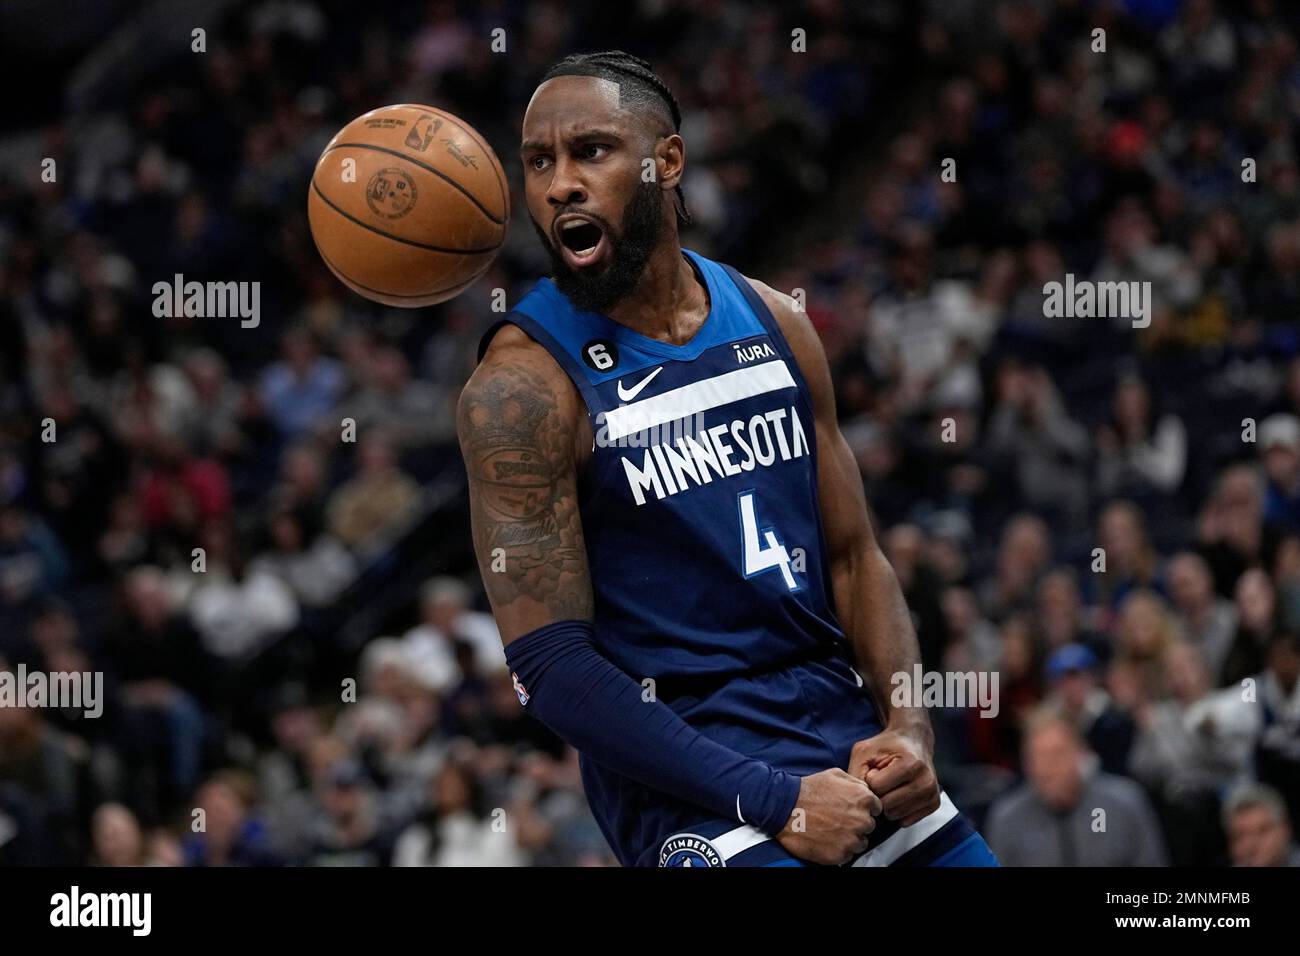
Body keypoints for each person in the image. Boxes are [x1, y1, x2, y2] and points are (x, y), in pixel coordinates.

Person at [457, 51, 996, 868]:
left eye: (590, 151)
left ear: (666, 160)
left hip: (845, 742)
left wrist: (909, 726)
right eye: (539, 162)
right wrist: (774, 798)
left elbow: (854, 558)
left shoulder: (776, 321)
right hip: (698, 790)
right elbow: (551, 667)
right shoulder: (521, 389)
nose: (560, 183)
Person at [985, 711, 1168, 866]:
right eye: (1038, 758)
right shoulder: (1007, 819)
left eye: (1057, 754)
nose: (1048, 768)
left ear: (1080, 755)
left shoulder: (1125, 803)